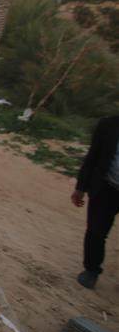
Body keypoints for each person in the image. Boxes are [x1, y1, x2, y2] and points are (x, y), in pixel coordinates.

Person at [72, 115, 119, 289]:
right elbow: (93, 155)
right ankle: (91, 269)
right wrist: (80, 188)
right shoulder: (109, 124)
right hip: (105, 187)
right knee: (96, 231)